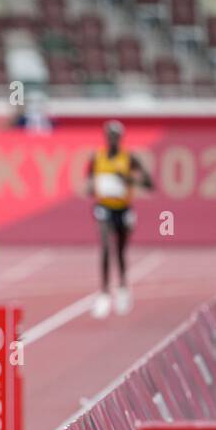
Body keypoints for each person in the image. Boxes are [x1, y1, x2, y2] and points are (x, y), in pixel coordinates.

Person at [86, 120, 153, 318]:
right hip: (104, 207)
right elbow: (90, 180)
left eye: (116, 135)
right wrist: (93, 186)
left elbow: (149, 183)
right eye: (109, 135)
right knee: (106, 247)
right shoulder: (96, 157)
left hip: (123, 209)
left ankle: (123, 287)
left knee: (121, 251)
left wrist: (129, 179)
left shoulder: (130, 158)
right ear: (105, 136)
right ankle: (105, 293)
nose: (112, 138)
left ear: (120, 137)